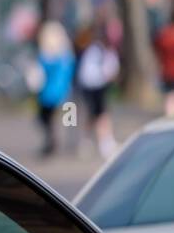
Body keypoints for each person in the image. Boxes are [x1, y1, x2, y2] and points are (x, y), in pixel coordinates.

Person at [77, 20, 120, 159]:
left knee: (95, 114)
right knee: (100, 115)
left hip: (90, 85)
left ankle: (90, 142)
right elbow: (110, 70)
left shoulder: (89, 48)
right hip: (96, 85)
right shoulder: (99, 49)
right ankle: (103, 143)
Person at [34, 22, 76, 157]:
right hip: (64, 91)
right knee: (66, 120)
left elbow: (39, 73)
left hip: (49, 93)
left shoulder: (48, 57)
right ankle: (63, 144)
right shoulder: (66, 56)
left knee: (48, 119)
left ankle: (52, 143)